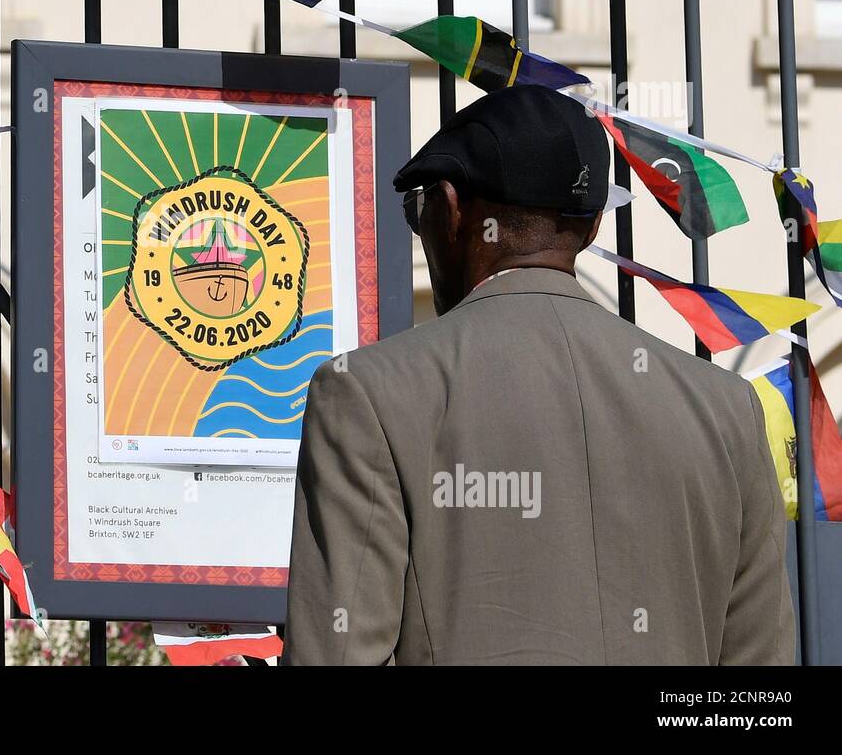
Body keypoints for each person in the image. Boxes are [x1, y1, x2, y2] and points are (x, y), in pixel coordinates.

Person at [281, 85, 794, 665]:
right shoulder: (727, 408)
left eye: (416, 212)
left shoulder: (368, 392)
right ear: (595, 226)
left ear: (449, 210)